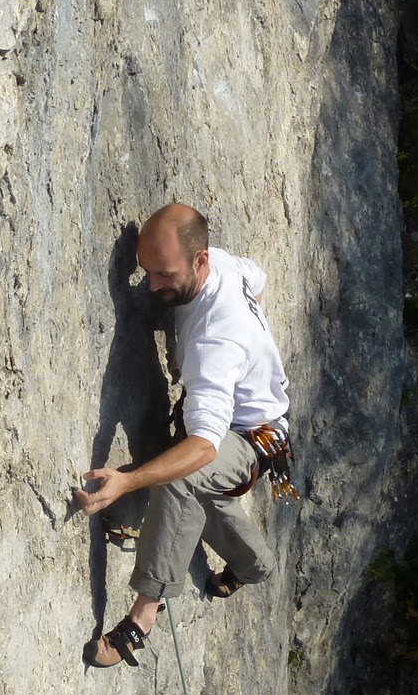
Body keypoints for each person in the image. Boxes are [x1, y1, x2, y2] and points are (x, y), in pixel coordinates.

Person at [74, 203, 295, 668]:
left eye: (164, 275)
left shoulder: (215, 344)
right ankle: (255, 565)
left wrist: (129, 483)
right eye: (147, 272)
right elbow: (258, 278)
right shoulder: (225, 264)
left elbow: (202, 448)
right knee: (197, 498)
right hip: (246, 416)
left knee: (180, 480)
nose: (152, 286)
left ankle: (143, 616)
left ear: (199, 261)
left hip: (252, 437)